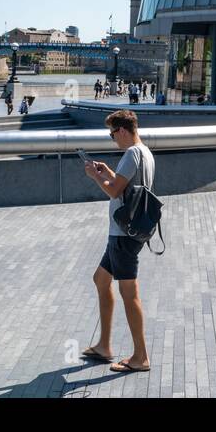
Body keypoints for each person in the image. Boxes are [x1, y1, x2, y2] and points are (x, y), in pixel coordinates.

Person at [81, 109, 156, 374]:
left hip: (122, 236)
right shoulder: (145, 152)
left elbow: (114, 191)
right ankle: (104, 345)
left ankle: (140, 357)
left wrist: (95, 177)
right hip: (129, 232)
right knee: (101, 279)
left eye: (112, 134)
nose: (113, 139)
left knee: (129, 293)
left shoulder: (131, 153)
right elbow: (125, 185)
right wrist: (109, 171)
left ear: (122, 130)